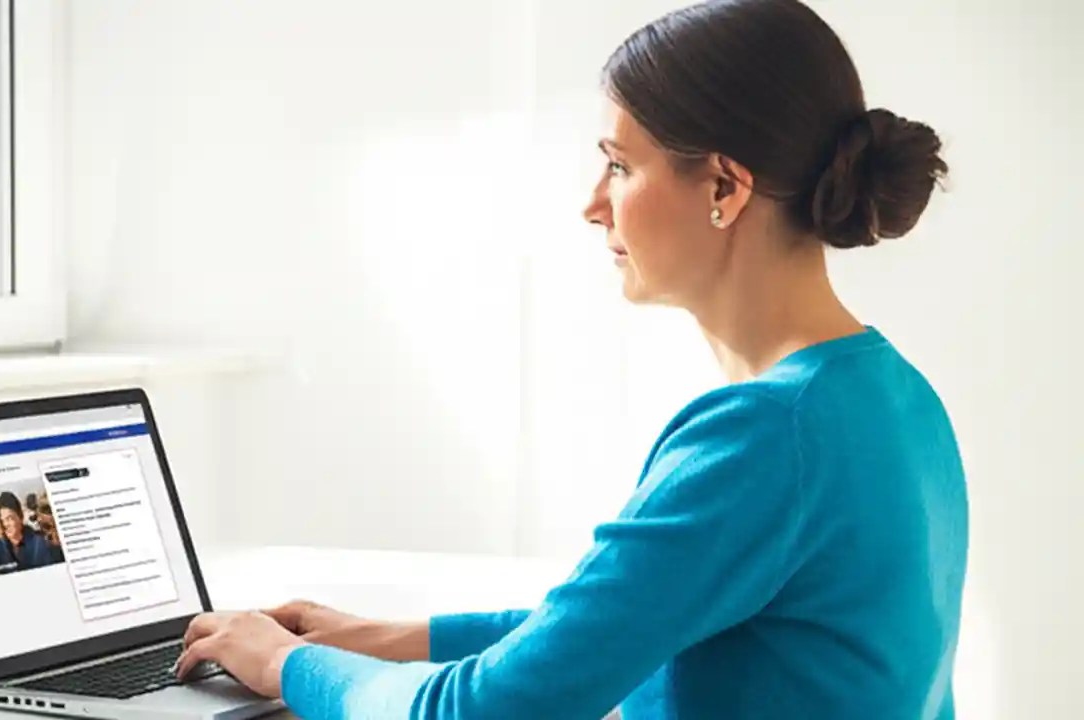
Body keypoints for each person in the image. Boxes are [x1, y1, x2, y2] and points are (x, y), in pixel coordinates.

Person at [175, 1, 967, 717]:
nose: (594, 205)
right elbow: (631, 627)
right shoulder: (892, 396)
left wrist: (285, 665)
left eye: (620, 166)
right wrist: (380, 637)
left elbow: (480, 713)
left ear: (723, 189)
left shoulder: (762, 436)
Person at [0, 491, 58, 571]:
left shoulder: (39, 544)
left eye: (9, 518)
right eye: (2, 520)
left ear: (20, 517)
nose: (5, 524)